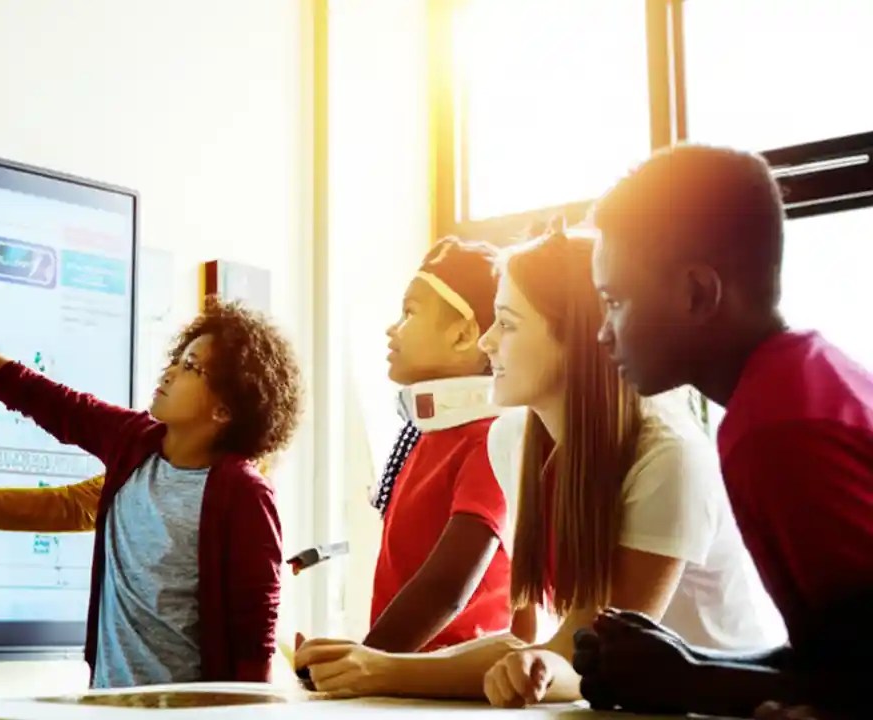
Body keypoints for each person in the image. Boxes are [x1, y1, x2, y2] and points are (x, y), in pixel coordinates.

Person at [295, 227, 775, 705]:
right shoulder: (511, 441)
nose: (486, 342)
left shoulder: (668, 458)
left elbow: (595, 655)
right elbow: (533, 648)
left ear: (577, 339)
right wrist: (361, 663)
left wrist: (382, 669)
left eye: (507, 322)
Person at [0, 267, 304, 688]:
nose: (170, 370)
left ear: (224, 410)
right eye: (179, 359)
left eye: (191, 367)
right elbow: (25, 389)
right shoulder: (132, 442)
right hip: (106, 705)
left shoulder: (244, 494)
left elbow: (254, 646)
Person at [577, 143, 873, 719]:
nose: (602, 335)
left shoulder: (777, 429)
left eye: (614, 302)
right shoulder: (809, 377)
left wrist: (690, 684)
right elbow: (837, 655)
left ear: (697, 293)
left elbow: (862, 681)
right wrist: (683, 663)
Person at [364, 236, 519, 654]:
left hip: (457, 694)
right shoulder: (427, 436)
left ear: (465, 335)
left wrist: (362, 664)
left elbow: (447, 587)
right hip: (404, 680)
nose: (392, 328)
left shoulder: (491, 438)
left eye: (408, 312)